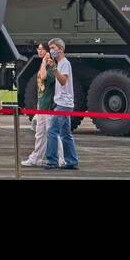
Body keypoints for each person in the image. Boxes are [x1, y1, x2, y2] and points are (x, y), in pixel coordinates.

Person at [43, 37, 78, 170]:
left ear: (61, 49)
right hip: (64, 103)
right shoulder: (61, 63)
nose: (51, 50)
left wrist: (54, 68)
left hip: (63, 103)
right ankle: (71, 161)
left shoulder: (64, 63)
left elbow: (63, 80)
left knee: (52, 131)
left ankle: (51, 160)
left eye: (53, 48)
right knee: (65, 133)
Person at [21, 43, 57, 168]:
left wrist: (44, 62)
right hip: (41, 105)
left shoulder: (51, 68)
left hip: (48, 107)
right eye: (38, 49)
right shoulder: (44, 66)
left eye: (41, 49)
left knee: (52, 133)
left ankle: (62, 158)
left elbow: (43, 77)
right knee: (40, 133)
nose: (38, 50)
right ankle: (36, 157)